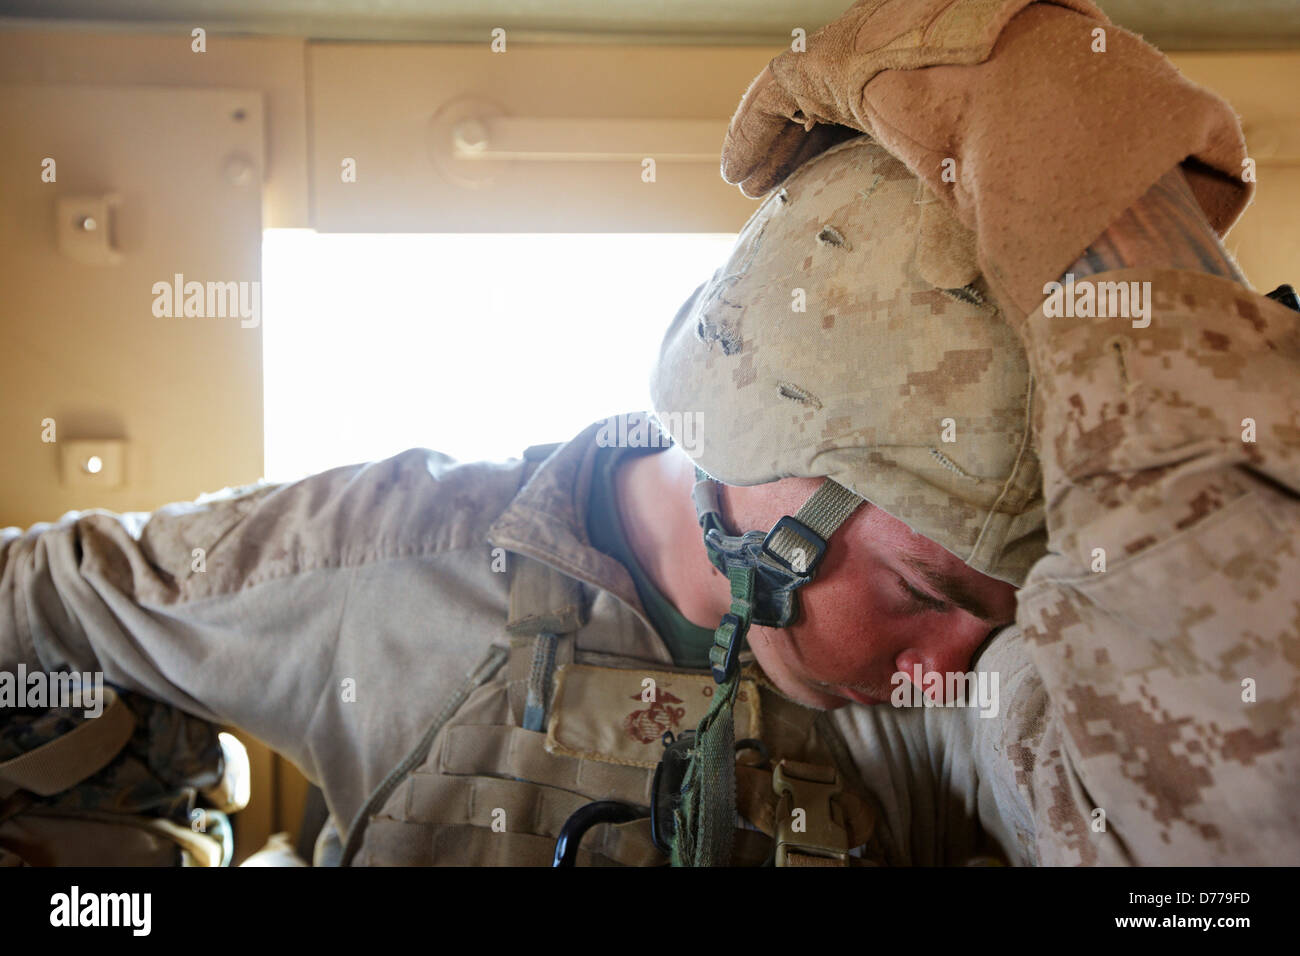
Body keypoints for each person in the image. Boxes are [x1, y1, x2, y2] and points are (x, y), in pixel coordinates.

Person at [3, 0, 1296, 866]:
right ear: (757, 457)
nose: (954, 655)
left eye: (1006, 606)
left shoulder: (975, 689)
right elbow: (43, 599)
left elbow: (1237, 809)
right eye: (928, 588)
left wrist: (1090, 184)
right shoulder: (375, 558)